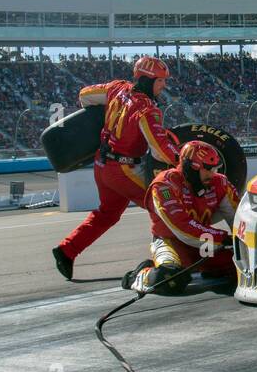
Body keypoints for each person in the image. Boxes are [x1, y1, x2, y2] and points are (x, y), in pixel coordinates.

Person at [52, 56, 179, 279]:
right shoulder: (147, 110)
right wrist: (184, 161)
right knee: (162, 206)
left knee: (107, 214)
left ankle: (66, 250)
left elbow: (85, 95)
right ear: (148, 80)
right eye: (161, 80)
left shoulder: (116, 87)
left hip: (101, 164)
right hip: (124, 170)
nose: (164, 85)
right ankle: (171, 260)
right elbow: (161, 151)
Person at [125, 140, 240, 294]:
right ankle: (137, 275)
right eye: (207, 169)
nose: (212, 174)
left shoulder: (220, 182)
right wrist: (223, 237)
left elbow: (239, 219)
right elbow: (181, 227)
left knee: (244, 266)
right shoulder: (164, 185)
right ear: (191, 167)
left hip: (204, 244)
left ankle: (206, 267)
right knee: (169, 279)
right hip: (170, 241)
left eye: (215, 168)